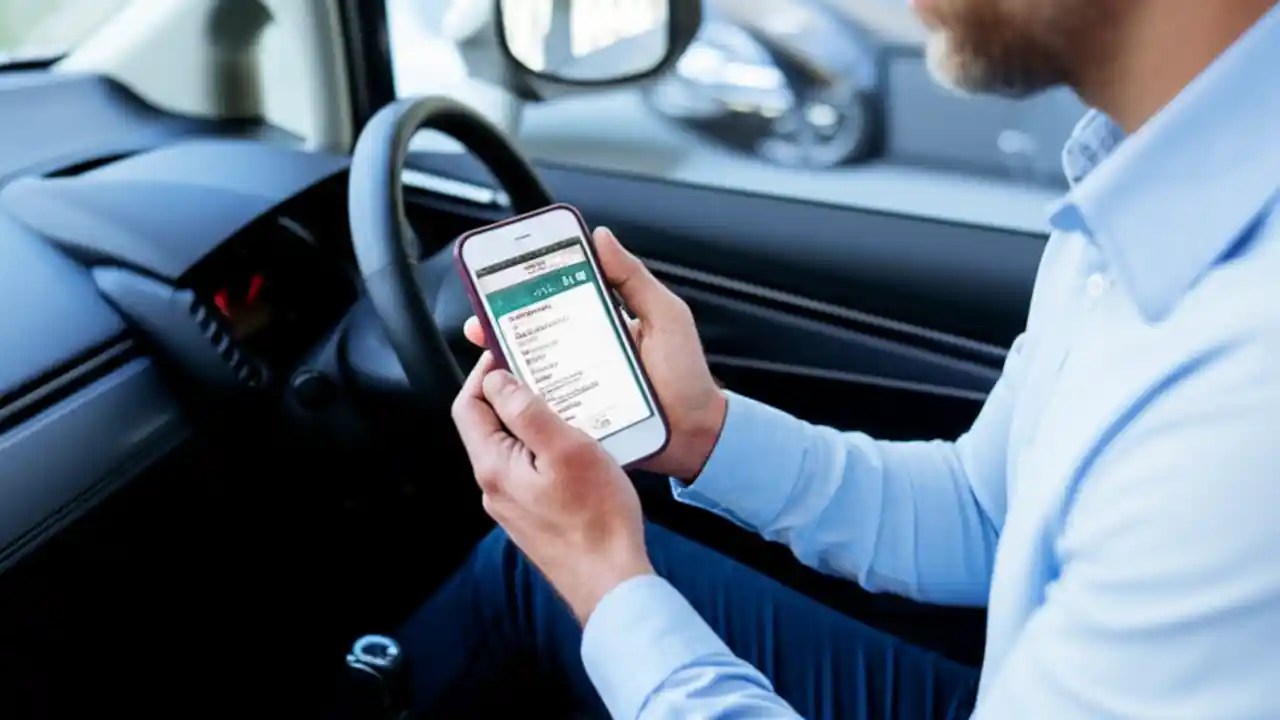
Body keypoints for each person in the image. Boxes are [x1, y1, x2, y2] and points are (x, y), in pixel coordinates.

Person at [399, 0, 1280, 716]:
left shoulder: (1245, 406)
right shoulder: (1135, 174)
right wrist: (701, 429)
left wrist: (601, 575)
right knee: (523, 572)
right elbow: (985, 513)